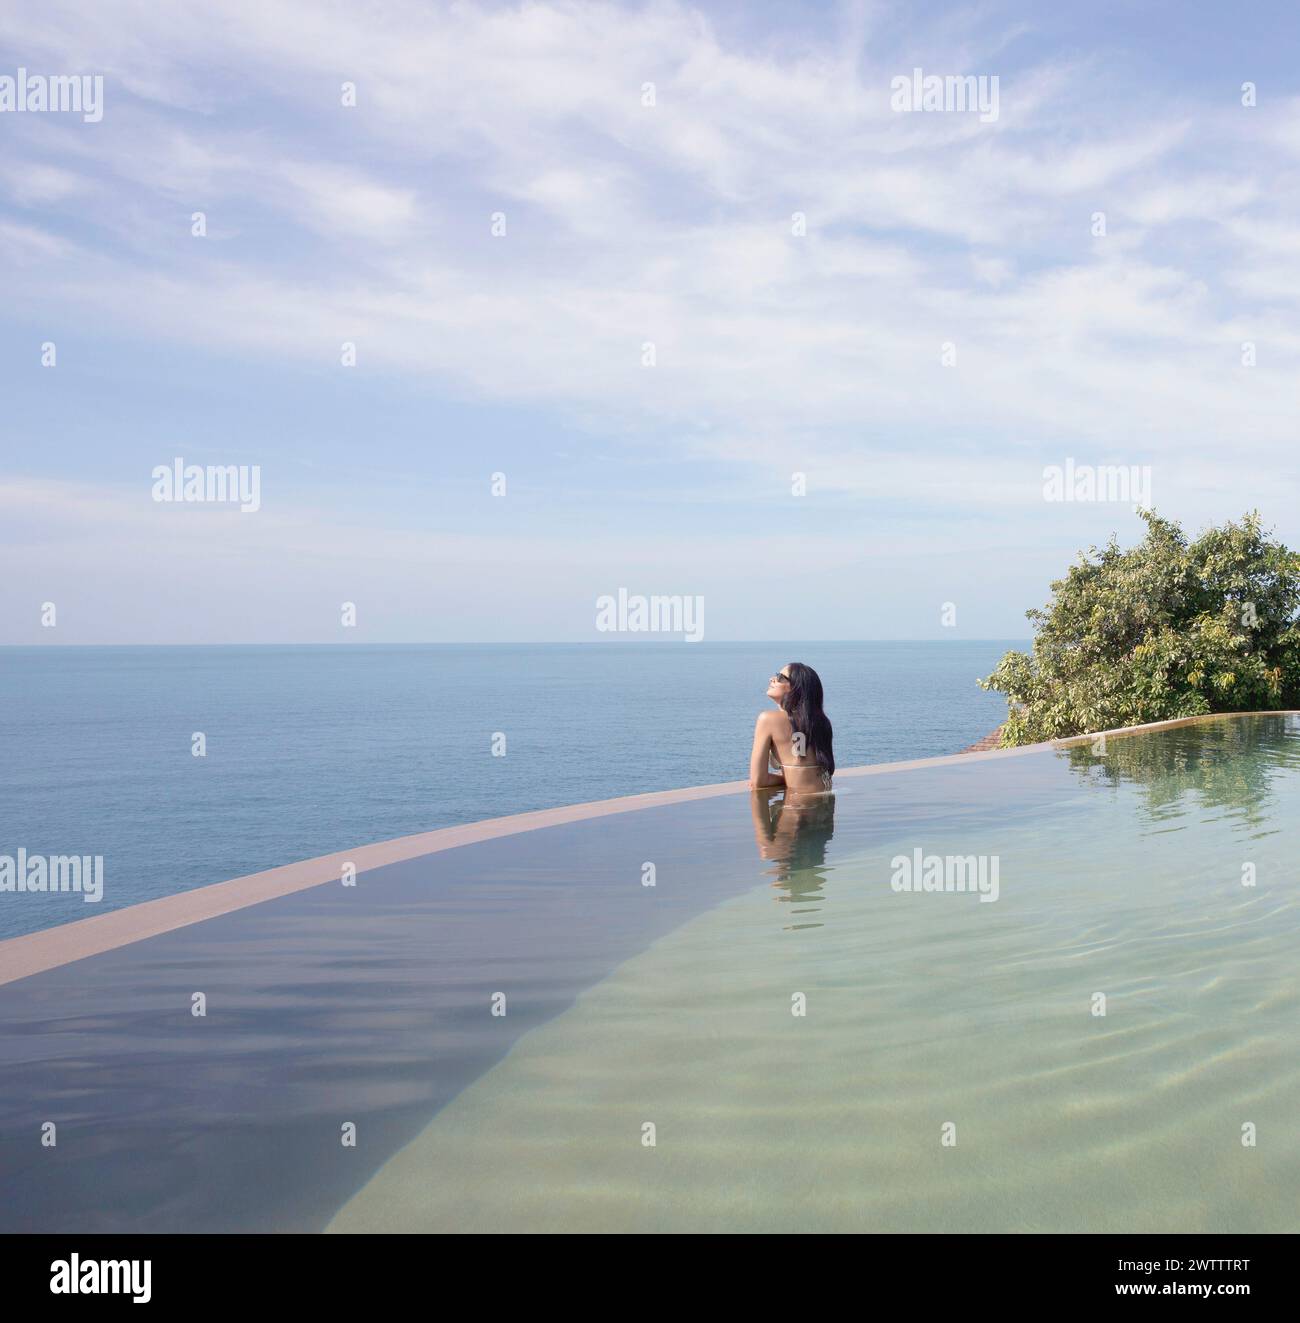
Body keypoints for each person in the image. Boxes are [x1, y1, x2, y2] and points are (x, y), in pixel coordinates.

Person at [747, 662, 834, 792]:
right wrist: (800, 777)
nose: (772, 679)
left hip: (797, 807)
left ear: (796, 688)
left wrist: (789, 779)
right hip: (826, 803)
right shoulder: (822, 722)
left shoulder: (767, 719)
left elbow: (758, 781)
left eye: (780, 677)